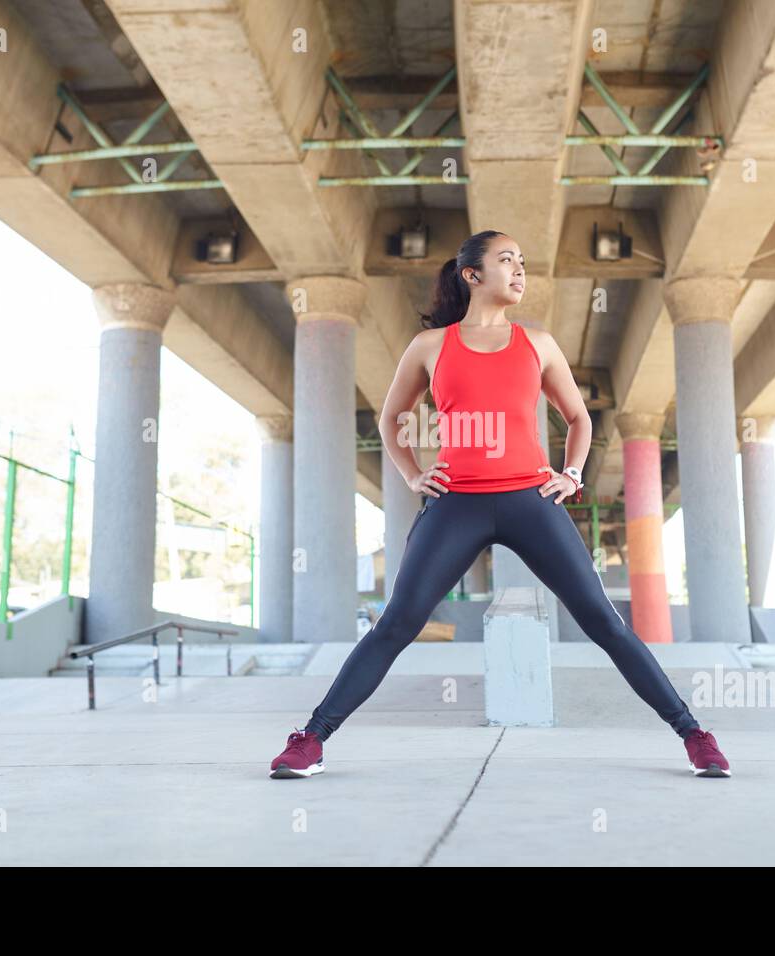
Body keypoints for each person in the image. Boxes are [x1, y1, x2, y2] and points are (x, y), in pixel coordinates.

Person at [270, 230, 730, 779]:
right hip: (456, 504)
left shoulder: (538, 343)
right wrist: (414, 474)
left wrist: (573, 474)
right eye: (506, 260)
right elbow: (393, 420)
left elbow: (579, 418)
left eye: (522, 262)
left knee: (605, 624)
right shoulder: (431, 346)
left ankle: (694, 735)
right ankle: (311, 740)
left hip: (531, 501)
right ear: (472, 274)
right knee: (395, 624)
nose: (519, 270)